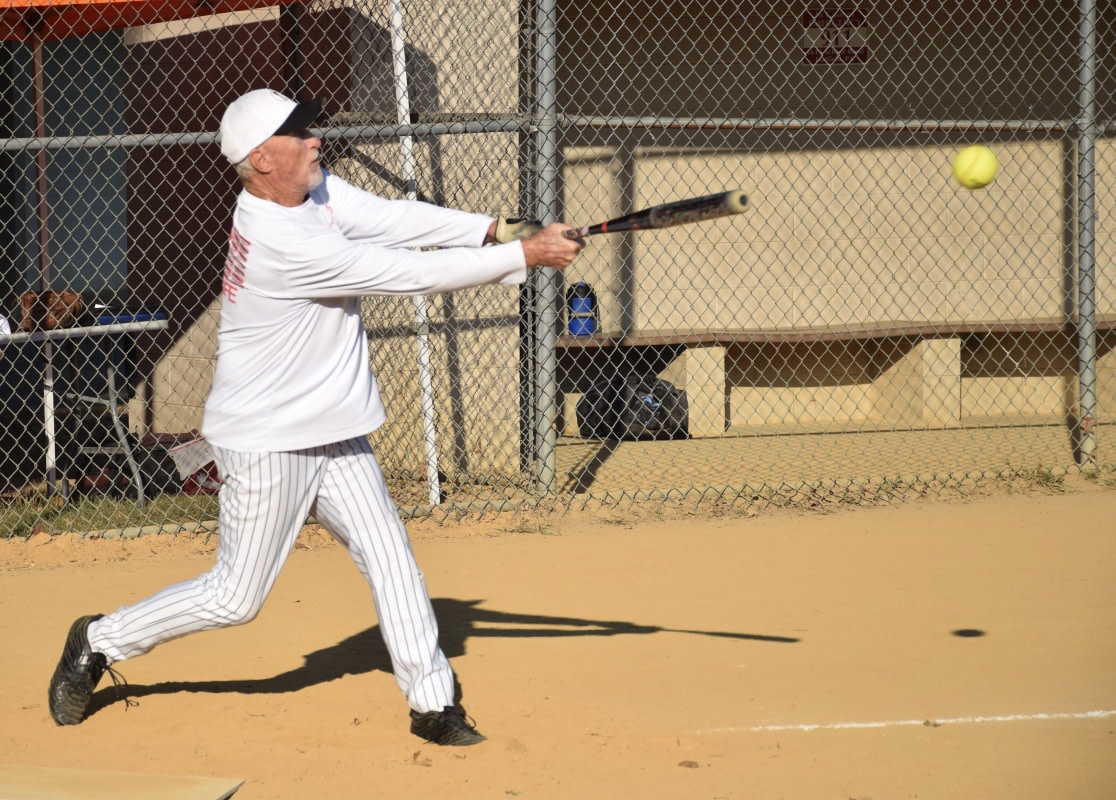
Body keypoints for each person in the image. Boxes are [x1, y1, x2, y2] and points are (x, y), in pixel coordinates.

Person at [47, 88, 584, 746]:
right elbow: (400, 272)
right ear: (262, 160)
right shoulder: (280, 241)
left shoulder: (314, 194)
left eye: (309, 127)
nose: (315, 140)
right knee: (235, 598)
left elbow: (394, 220)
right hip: (268, 439)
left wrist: (497, 228)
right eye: (298, 133)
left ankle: (432, 702)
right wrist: (525, 256)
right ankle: (100, 639)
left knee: (391, 557)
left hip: (334, 429)